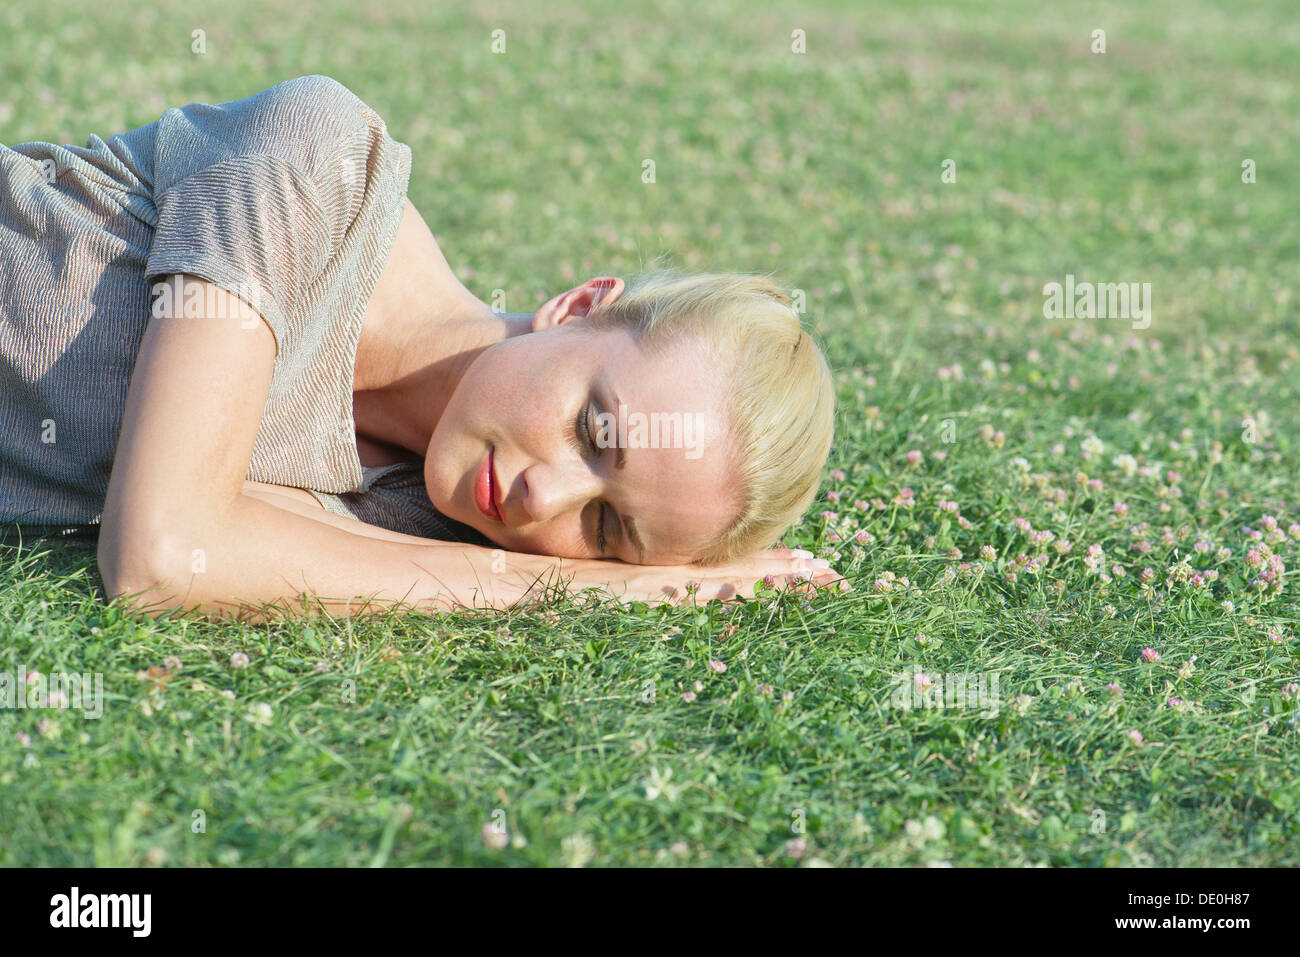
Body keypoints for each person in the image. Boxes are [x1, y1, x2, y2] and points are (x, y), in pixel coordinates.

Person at [0, 75, 845, 620]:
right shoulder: (318, 165)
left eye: (606, 526)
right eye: (594, 429)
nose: (539, 499)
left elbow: (214, 548)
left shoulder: (421, 517)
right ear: (581, 305)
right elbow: (162, 555)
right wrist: (579, 585)